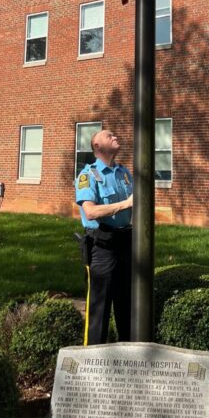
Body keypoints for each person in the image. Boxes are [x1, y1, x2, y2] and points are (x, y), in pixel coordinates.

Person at [75, 129, 133, 345]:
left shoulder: (124, 173)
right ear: (97, 147)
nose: (116, 136)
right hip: (102, 246)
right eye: (109, 136)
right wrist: (126, 204)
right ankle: (94, 360)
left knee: (127, 306)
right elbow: (90, 211)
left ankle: (129, 356)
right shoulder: (87, 175)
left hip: (126, 243)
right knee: (99, 308)